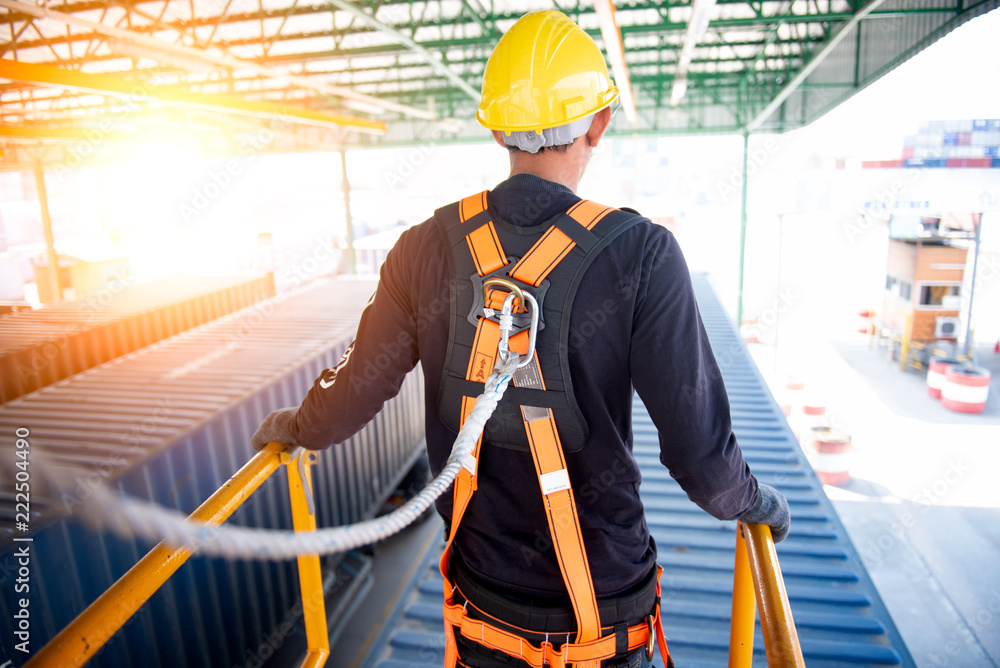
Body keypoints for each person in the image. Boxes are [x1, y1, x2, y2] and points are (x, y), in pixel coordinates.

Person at [253, 10, 789, 668]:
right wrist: (759, 504)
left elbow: (350, 399)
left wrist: (292, 425)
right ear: (599, 122)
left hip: (483, 604)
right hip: (606, 612)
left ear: (500, 127)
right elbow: (706, 467)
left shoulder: (421, 248)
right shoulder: (642, 254)